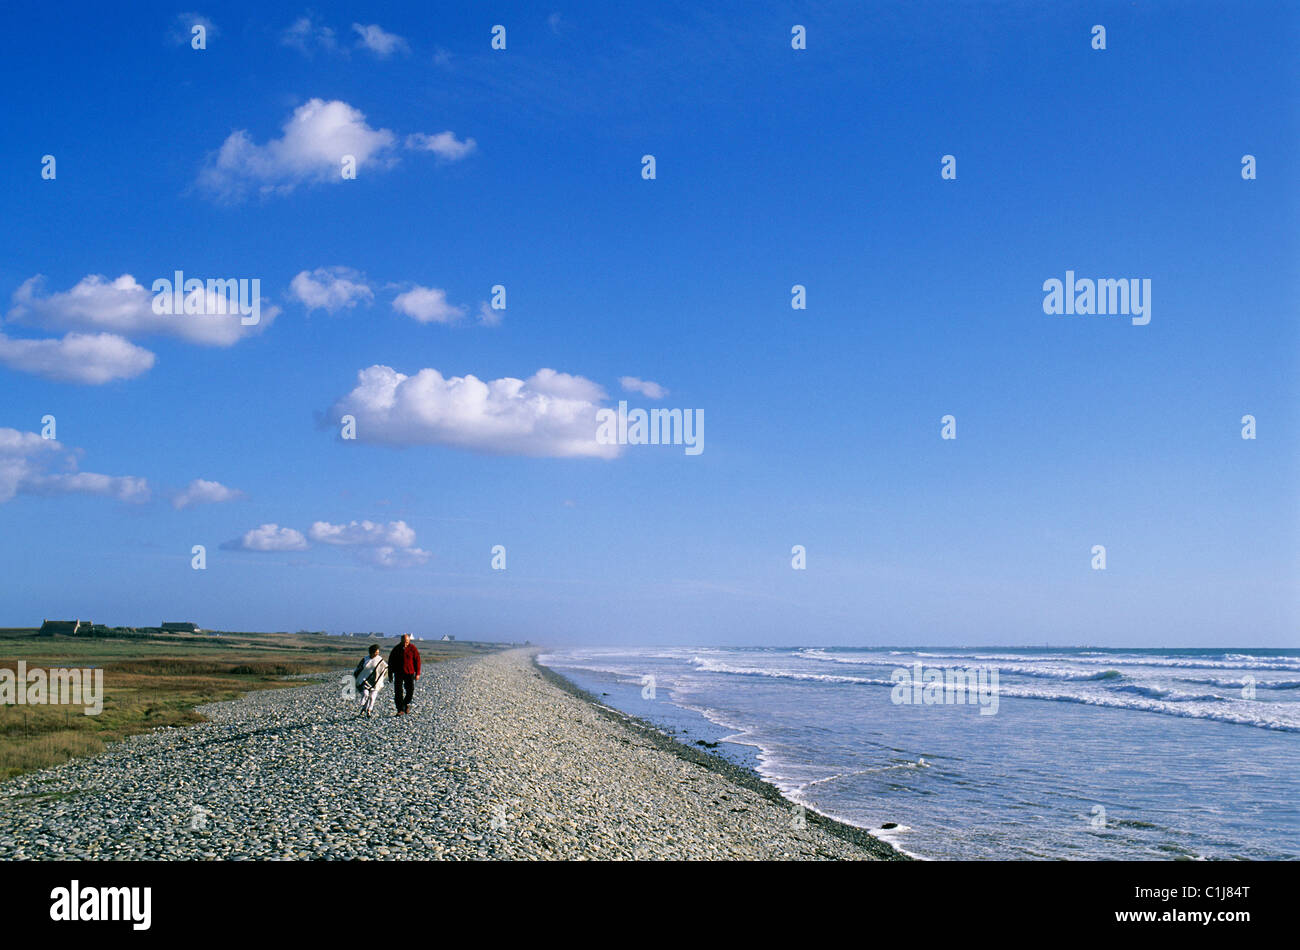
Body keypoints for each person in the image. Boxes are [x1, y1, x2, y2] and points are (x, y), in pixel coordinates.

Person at [387, 634, 421, 715]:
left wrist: (417, 673)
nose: (405, 644)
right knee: (398, 691)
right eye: (403, 642)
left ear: (409, 641)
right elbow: (391, 662)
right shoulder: (396, 649)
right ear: (401, 641)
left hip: (409, 672)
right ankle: (400, 709)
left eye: (407, 642)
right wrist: (390, 674)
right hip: (398, 672)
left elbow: (417, 661)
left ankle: (406, 704)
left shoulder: (413, 648)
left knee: (410, 690)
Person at [353, 644, 388, 717]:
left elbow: (385, 668)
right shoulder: (365, 659)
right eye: (376, 652)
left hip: (375, 682)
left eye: (378, 652)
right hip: (364, 680)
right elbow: (359, 668)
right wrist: (356, 676)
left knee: (372, 697)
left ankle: (369, 710)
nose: (377, 654)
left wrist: (383, 677)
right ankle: (363, 708)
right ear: (371, 652)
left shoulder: (379, 660)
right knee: (365, 694)